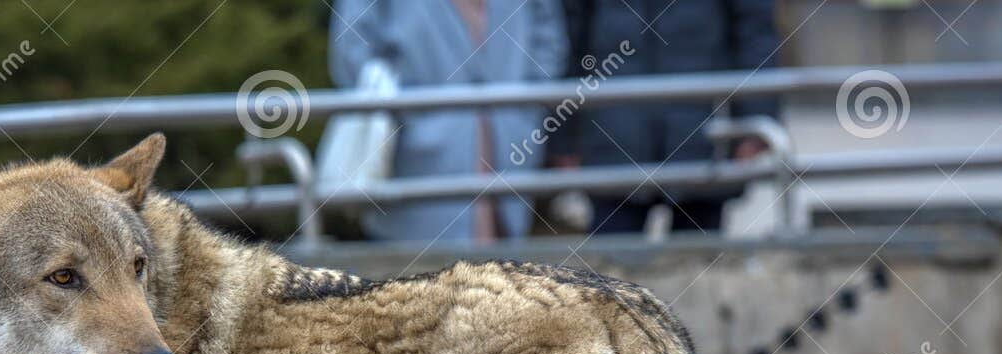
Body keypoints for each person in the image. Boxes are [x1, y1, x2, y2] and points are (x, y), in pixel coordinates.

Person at [330, 0, 568, 244]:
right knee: (414, 263)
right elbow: (352, 53)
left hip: (507, 162)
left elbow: (548, 41)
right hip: (413, 178)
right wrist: (405, 116)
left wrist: (523, 114)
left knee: (499, 261)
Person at [556, 0, 781, 233]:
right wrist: (563, 136)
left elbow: (756, 34)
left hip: (703, 141)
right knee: (614, 246)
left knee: (696, 249)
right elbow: (570, 36)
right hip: (613, 142)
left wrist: (756, 118)